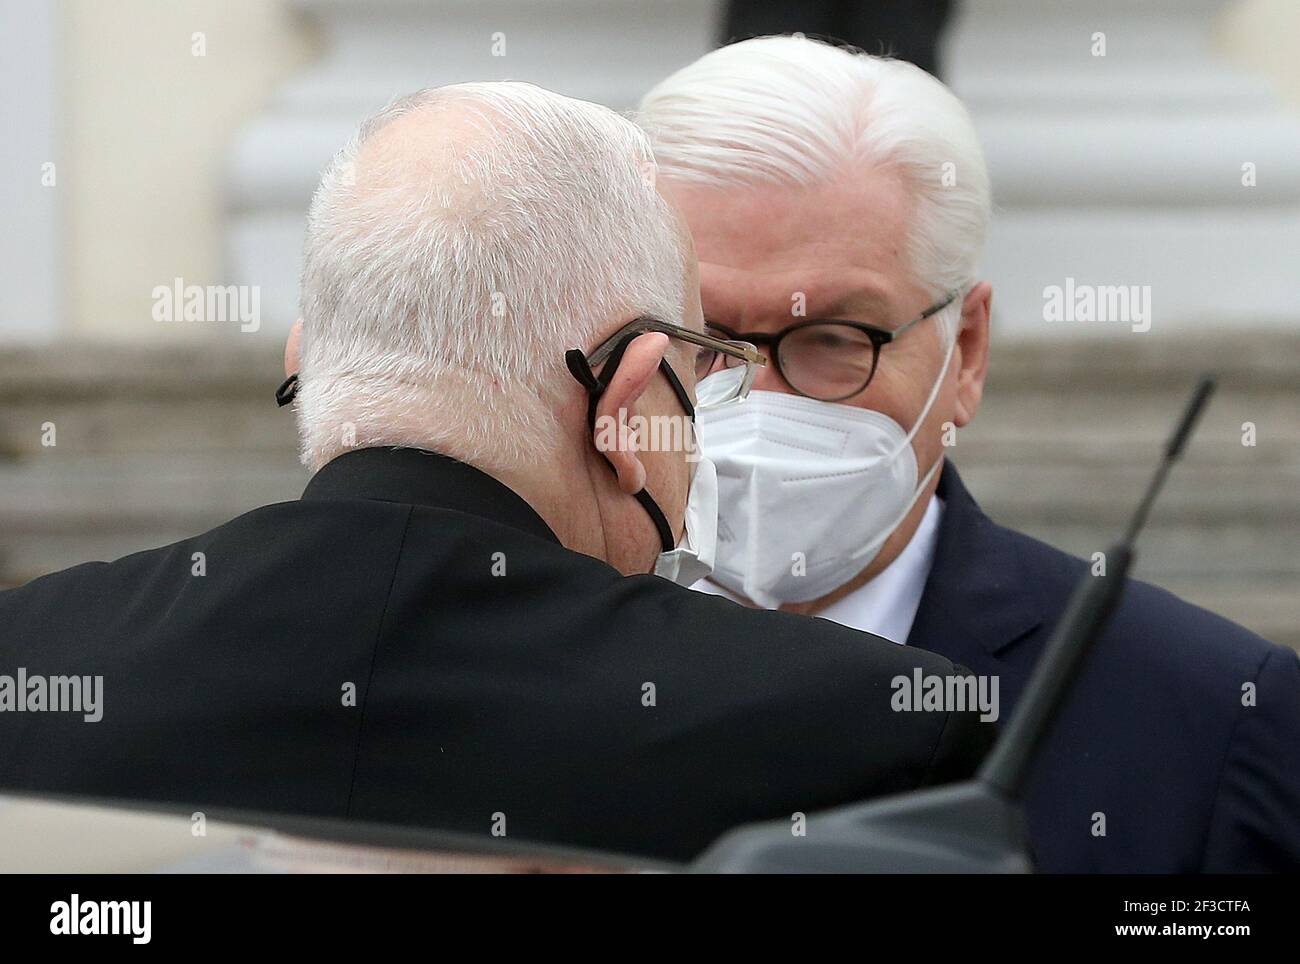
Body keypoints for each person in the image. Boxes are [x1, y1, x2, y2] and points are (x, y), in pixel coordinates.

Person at [0, 81, 993, 863]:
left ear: (306, 362)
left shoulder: (31, 660)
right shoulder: (862, 726)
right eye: (704, 373)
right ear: (625, 400)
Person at [639, 36, 1300, 872]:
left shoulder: (1210, 720)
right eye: (702, 339)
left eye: (836, 337)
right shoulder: (515, 675)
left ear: (969, 352)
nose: (761, 401)